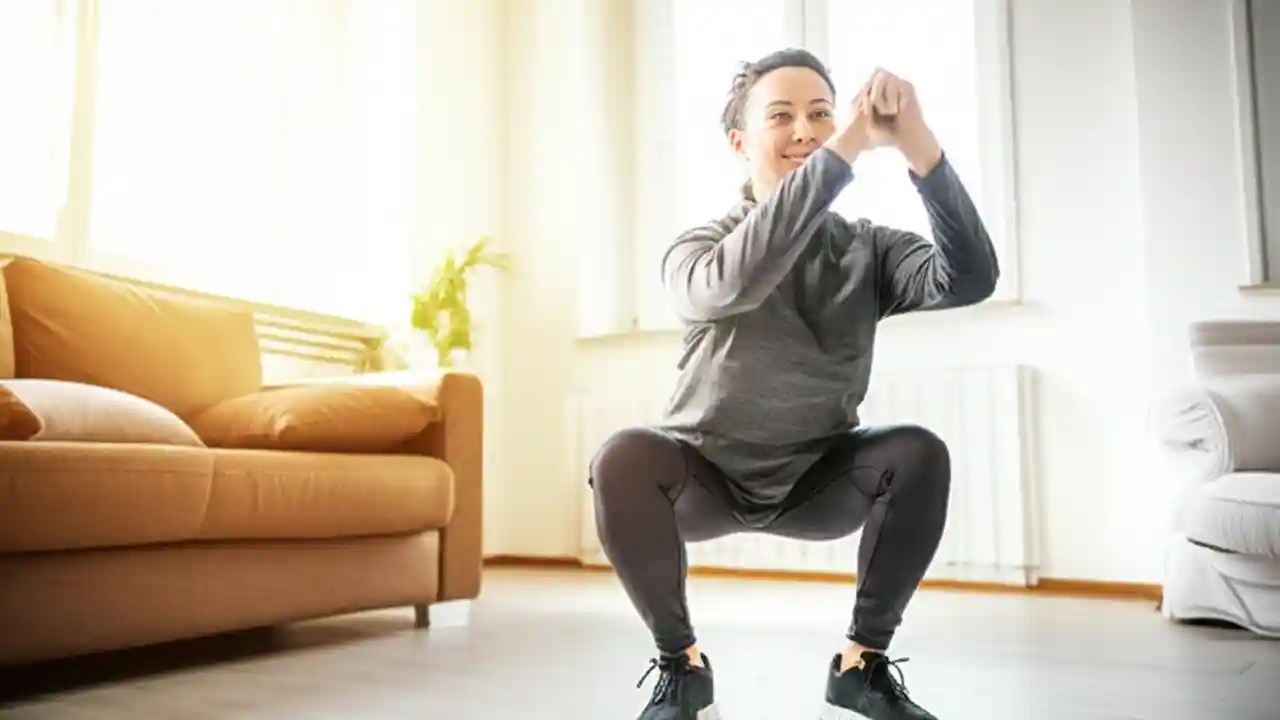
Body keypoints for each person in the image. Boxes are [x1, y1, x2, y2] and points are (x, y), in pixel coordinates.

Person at [588, 47, 999, 720]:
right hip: (705, 481)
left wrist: (916, 144)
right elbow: (734, 282)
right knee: (622, 458)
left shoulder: (868, 249)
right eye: (782, 116)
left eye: (821, 114)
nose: (806, 130)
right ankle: (681, 669)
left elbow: (972, 278)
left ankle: (860, 667)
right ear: (739, 142)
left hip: (817, 482)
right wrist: (846, 150)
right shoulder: (700, 248)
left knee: (918, 450)